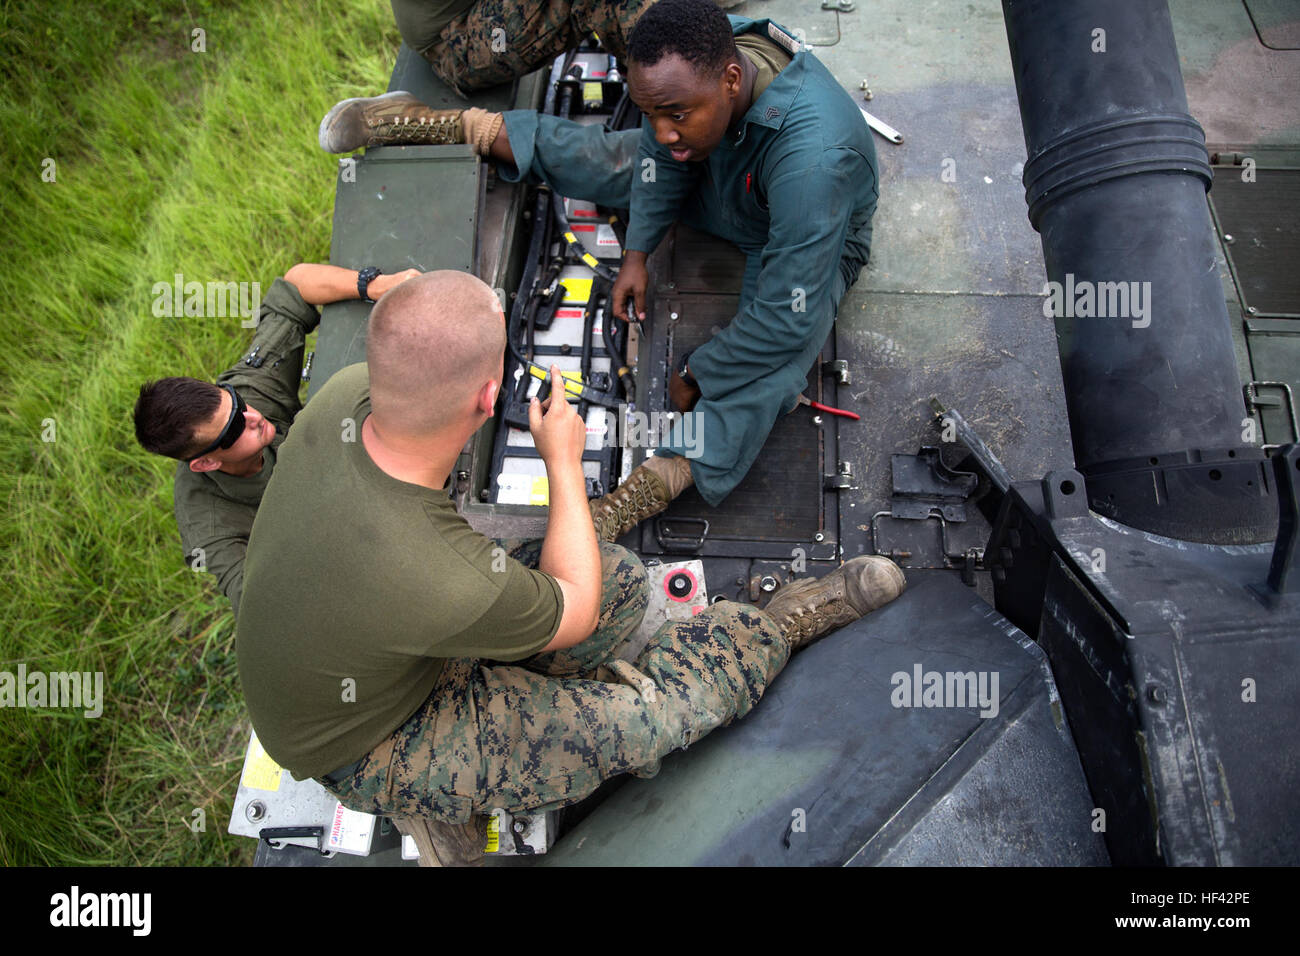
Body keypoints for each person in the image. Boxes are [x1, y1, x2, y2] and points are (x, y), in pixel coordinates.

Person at [234, 270, 904, 864]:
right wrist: (562, 456)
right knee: (643, 722)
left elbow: (570, 592)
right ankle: (766, 635)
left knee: (616, 584)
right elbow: (565, 605)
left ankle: (456, 787)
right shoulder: (436, 574)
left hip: (382, 654)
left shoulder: (348, 395)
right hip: (365, 741)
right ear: (489, 394)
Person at [316, 0, 879, 543]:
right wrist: (638, 250)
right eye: (653, 112)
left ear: (733, 81)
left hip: (796, 232)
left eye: (676, 115)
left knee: (774, 369)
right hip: (725, 174)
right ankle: (439, 124)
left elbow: (784, 318)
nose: (662, 130)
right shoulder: (696, 63)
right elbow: (660, 156)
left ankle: (629, 501)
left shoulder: (815, 163)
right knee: (611, 156)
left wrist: (702, 370)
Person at [133, 263, 420, 616]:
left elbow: (294, 285)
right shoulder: (211, 526)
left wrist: (377, 285)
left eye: (236, 403)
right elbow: (261, 610)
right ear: (206, 462)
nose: (253, 418)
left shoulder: (251, 393)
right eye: (234, 429)